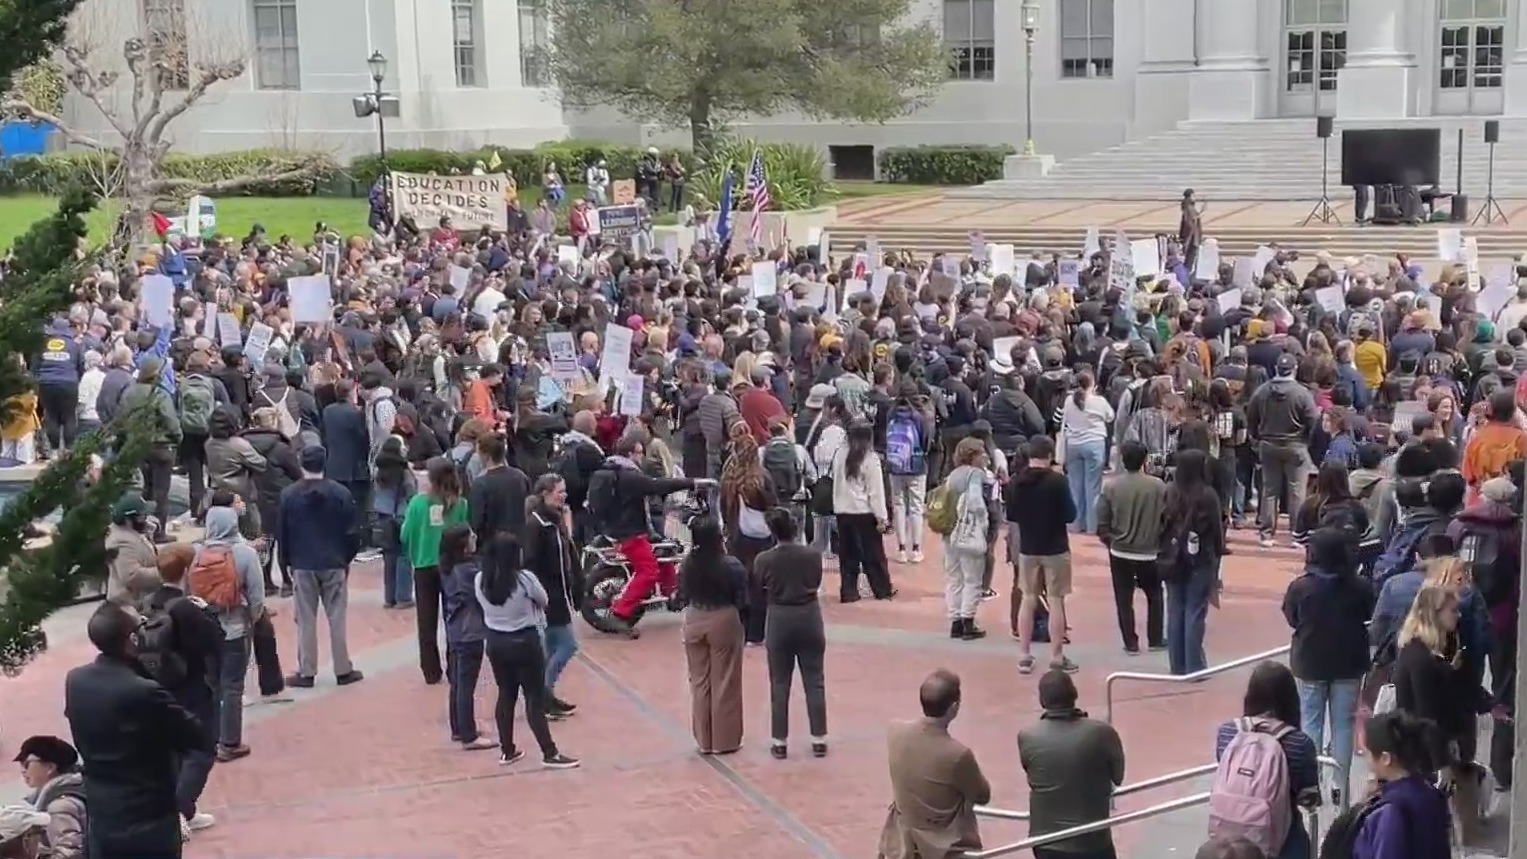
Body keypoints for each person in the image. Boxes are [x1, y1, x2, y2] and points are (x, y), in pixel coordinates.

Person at [64, 601, 212, 859]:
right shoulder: (143, 691)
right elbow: (196, 735)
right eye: (142, 624)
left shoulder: (76, 680)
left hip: (102, 817)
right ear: (133, 638)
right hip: (148, 822)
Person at [1280, 526, 1374, 805]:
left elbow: (1291, 617)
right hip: (1349, 662)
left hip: (1310, 661)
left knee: (1311, 722)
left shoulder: (1301, 587)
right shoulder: (1359, 586)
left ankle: (1311, 783)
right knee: (1344, 725)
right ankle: (1340, 788)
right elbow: (1369, 613)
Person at [1390, 582, 1487, 847]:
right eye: (1452, 610)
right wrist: (1440, 762)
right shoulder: (1421, 658)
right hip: (1423, 755)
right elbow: (1426, 715)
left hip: (1423, 750)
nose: (1457, 615)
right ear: (1434, 614)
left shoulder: (1423, 652)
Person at [475, 533, 580, 770]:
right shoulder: (524, 580)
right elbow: (543, 601)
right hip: (525, 640)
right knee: (533, 696)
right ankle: (549, 752)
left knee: (506, 694)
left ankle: (507, 749)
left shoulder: (481, 579)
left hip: (495, 641)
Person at [143, 545, 223, 835]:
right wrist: (209, 614)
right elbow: (214, 642)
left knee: (174, 750)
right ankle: (179, 807)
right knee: (202, 748)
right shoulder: (187, 608)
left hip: (158, 684)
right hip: (190, 686)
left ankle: (185, 810)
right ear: (186, 572)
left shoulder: (148, 603)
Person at [276, 443, 363, 689]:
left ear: (302, 463)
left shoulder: (289, 495)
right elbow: (352, 532)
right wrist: (346, 558)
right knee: (337, 617)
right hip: (333, 561)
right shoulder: (340, 493)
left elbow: (282, 533)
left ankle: (307, 670)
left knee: (305, 619)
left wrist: (286, 565)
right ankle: (342, 668)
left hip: (303, 562)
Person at [877, 669, 991, 859]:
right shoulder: (957, 754)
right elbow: (982, 795)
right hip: (942, 844)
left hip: (902, 836)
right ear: (954, 707)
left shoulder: (895, 731)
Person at [1211, 662, 1319, 859]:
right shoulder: (1299, 743)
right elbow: (1309, 797)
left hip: (1230, 835)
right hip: (1282, 841)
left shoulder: (1227, 732)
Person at [596, 434, 697, 637]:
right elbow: (656, 486)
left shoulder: (612, 470)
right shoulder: (629, 476)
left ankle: (672, 594)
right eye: (640, 453)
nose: (642, 458)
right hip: (629, 532)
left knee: (665, 549)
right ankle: (619, 613)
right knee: (648, 570)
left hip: (620, 528)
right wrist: (690, 482)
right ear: (631, 453)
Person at [1017, 670, 1125, 859]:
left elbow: (1030, 771)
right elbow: (1118, 776)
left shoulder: (1027, 736)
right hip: (1091, 839)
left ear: (1043, 701)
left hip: (1046, 840)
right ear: (1074, 694)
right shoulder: (1102, 732)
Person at [754, 507, 828, 759]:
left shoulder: (763, 559)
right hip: (809, 615)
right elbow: (816, 582)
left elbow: (758, 586)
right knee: (815, 680)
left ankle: (779, 741)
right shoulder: (812, 555)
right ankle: (819, 738)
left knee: (779, 682)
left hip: (779, 617)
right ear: (795, 528)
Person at [677, 517, 748, 754]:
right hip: (723, 618)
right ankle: (724, 741)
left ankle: (704, 740)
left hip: (695, 617)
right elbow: (742, 598)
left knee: (699, 681)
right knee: (725, 680)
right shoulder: (731, 565)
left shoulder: (688, 564)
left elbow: (682, 594)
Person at [1007, 436, 1077, 674]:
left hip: (1028, 547)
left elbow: (1012, 515)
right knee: (1056, 600)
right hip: (1055, 547)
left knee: (1028, 598)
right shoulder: (1058, 482)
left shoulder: (1016, 482)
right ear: (1049, 455)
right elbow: (1070, 515)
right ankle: (1057, 655)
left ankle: (1024, 654)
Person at [399, 456, 472, 683]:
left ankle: (430, 670)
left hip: (423, 565)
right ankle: (455, 666)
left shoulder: (418, 503)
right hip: (451, 565)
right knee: (454, 617)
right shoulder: (460, 504)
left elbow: (404, 535)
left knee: (426, 620)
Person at [1344, 710, 1453, 859]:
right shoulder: (1430, 792)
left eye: (1366, 752)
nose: (1365, 758)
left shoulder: (1390, 812)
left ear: (1385, 758)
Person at [1096, 439, 1167, 655]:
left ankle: (1130, 642)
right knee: (1155, 595)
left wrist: (1110, 540)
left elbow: (1102, 520)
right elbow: (1167, 517)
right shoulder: (1158, 486)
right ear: (1144, 460)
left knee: (1123, 598)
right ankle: (1155, 638)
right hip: (1150, 551)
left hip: (1120, 550)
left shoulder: (1111, 486)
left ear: (1122, 460)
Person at [1160, 449, 1225, 676]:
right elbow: (1217, 533)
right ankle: (1194, 665)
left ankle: (1177, 665)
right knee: (1195, 612)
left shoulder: (1170, 491)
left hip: (1173, 558)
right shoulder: (1208, 495)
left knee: (1175, 610)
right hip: (1201, 559)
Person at [522, 473, 581, 716]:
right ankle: (542, 693)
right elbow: (531, 562)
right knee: (567, 645)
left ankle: (543, 694)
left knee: (550, 647)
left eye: (564, 490)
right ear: (545, 494)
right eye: (559, 491)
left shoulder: (555, 520)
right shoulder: (538, 525)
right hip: (549, 597)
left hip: (559, 594)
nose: (564, 495)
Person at [1247, 353, 1318, 548]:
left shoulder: (1261, 392)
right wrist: (1306, 441)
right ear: (1294, 370)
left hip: (1269, 445)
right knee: (1297, 492)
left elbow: (1251, 417)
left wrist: (1258, 437)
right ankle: (1297, 533)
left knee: (1269, 490)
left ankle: (1266, 533)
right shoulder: (1302, 394)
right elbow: (1313, 421)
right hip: (1295, 445)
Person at [438, 523, 494, 750]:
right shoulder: (469, 572)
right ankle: (469, 735)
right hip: (469, 632)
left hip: (455, 631)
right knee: (466, 684)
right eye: (471, 535)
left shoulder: (449, 567)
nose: (475, 536)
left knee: (458, 682)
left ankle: (459, 727)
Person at [721, 423, 778, 644]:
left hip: (737, 535)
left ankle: (740, 629)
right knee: (760, 584)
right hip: (762, 536)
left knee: (739, 580)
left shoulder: (729, 479)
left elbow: (724, 509)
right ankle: (757, 632)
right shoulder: (762, 477)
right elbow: (773, 504)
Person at [938, 437, 996, 640]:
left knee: (954, 578)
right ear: (973, 456)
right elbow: (975, 502)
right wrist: (984, 523)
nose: (986, 456)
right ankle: (968, 621)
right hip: (969, 533)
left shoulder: (952, 475)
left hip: (950, 532)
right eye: (982, 452)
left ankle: (955, 621)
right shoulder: (976, 475)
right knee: (972, 578)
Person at [832, 419, 893, 601]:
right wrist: (882, 517)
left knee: (848, 555)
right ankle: (881, 589)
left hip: (843, 511)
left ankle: (849, 591)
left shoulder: (840, 454)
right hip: (864, 512)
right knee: (873, 554)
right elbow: (876, 491)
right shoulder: (870, 458)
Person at [1059, 370, 1114, 535]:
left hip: (1073, 444)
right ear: (1093, 385)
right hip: (1094, 443)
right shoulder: (1099, 401)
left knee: (1075, 485)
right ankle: (1092, 526)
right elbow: (1110, 417)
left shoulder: (1069, 400)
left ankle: (1075, 524)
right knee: (1093, 486)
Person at [13, 736, 85, 859]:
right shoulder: (78, 787)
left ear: (50, 767)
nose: (23, 770)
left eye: (26, 764)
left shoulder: (60, 805)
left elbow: (70, 852)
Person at [469, 433, 531, 546]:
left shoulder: (481, 484)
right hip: (520, 541)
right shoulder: (521, 476)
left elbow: (477, 520)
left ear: (486, 456)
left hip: (492, 545)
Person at [104, 493, 161, 610]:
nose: (146, 518)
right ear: (128, 519)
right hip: (129, 604)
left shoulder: (134, 531)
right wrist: (167, 571)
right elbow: (132, 576)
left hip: (142, 598)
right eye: (142, 515)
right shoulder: (120, 541)